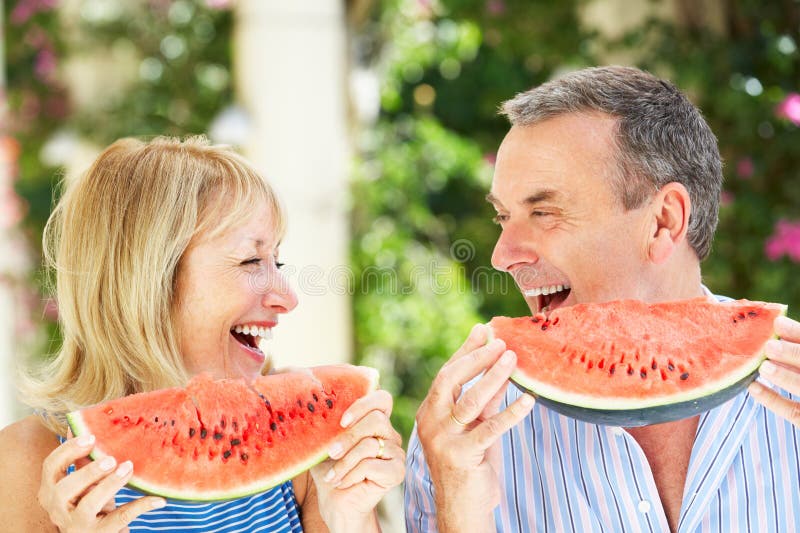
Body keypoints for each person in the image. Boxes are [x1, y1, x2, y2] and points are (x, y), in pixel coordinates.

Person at [405, 66, 800, 532]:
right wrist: (460, 509)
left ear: (663, 222)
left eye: (544, 212)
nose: (502, 256)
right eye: (503, 217)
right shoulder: (463, 434)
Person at [0, 136, 405, 532]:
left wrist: (350, 519)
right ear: (149, 281)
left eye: (277, 261)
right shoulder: (28, 461)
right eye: (251, 260)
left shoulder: (307, 465)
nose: (288, 297)